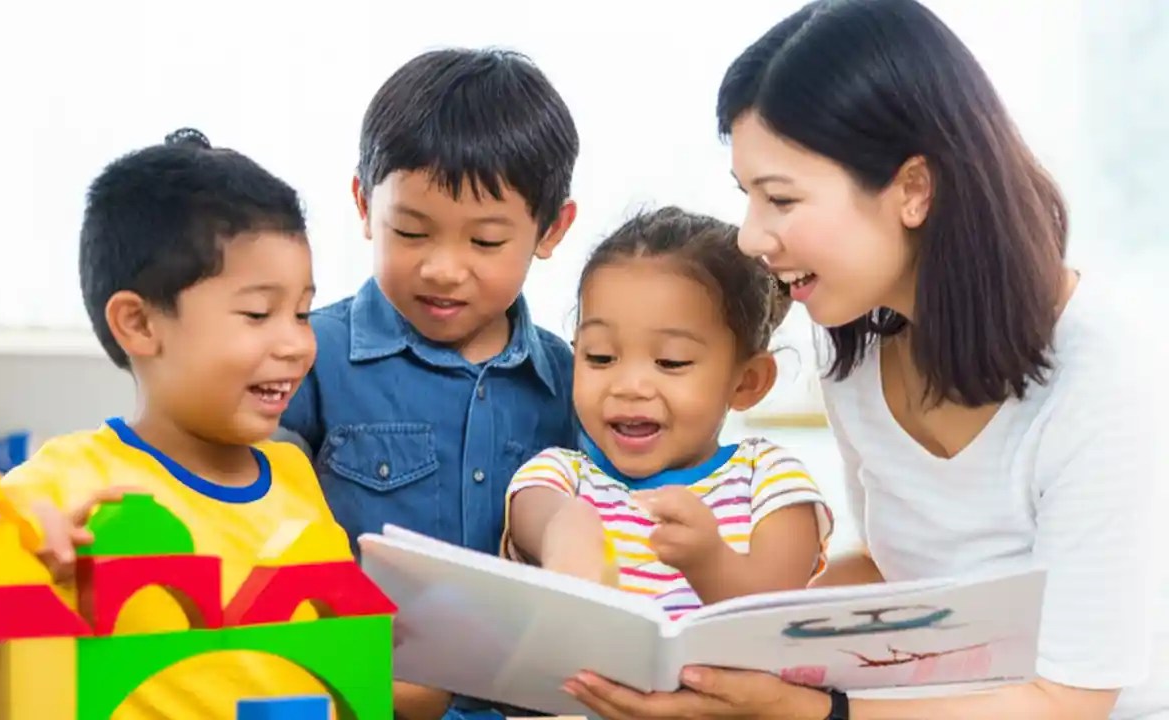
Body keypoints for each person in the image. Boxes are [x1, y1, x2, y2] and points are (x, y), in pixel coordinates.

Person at [563, 1, 1169, 719]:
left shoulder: (1106, 373)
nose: (752, 238)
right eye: (746, 197)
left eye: (780, 199)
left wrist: (797, 709)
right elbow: (909, 572)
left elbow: (1070, 700)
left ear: (913, 188)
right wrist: (705, 640)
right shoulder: (854, 345)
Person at [0, 129, 348, 720]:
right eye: (258, 313)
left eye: (303, 312)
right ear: (138, 324)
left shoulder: (295, 474)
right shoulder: (73, 478)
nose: (296, 343)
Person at [279, 47, 582, 720]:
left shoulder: (573, 382)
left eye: (484, 243)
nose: (444, 270)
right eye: (411, 232)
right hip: (360, 698)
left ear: (551, 229)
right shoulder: (306, 354)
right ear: (363, 204)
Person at [502, 207, 832, 615]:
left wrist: (709, 561)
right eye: (601, 357)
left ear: (747, 382)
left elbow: (771, 614)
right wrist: (569, 532)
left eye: (671, 362)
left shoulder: (767, 480)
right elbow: (537, 516)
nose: (628, 387)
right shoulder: (562, 476)